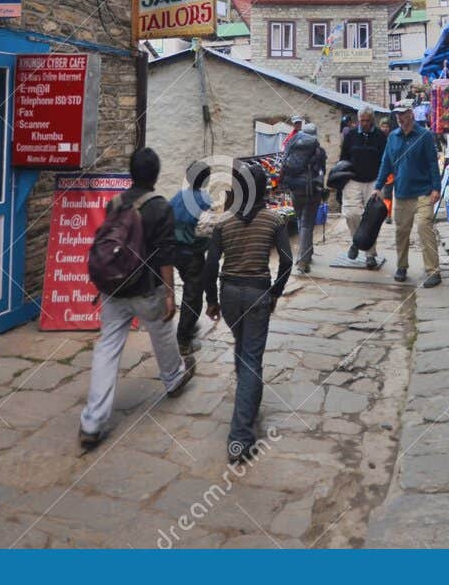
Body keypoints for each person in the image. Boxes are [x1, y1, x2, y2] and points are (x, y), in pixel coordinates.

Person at [79, 148, 195, 450]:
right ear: (155, 174)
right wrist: (169, 293)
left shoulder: (115, 203)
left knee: (107, 349)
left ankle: (92, 422)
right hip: (146, 288)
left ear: (131, 173)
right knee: (161, 333)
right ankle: (173, 378)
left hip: (113, 290)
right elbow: (166, 254)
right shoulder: (160, 207)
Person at [202, 162, 293, 461]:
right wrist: (276, 292)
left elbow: (210, 265)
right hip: (257, 293)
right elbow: (287, 261)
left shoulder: (223, 223)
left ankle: (247, 408)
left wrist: (211, 300)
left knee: (243, 350)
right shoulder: (273, 220)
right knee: (252, 358)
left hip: (229, 294)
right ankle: (240, 437)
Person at [376, 101, 442, 287]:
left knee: (424, 227)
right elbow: (386, 163)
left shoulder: (425, 136)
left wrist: (436, 188)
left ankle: (433, 271)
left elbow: (432, 163)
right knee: (401, 232)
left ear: (411, 114)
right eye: (397, 114)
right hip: (403, 193)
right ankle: (402, 266)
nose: (400, 117)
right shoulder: (393, 138)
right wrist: (378, 186)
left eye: (403, 113)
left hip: (423, 192)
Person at [169, 166, 213, 364]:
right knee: (193, 297)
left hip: (175, 252)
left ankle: (189, 324)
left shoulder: (178, 196)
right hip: (194, 254)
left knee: (189, 290)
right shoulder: (205, 200)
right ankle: (183, 340)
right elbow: (208, 230)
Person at [339, 107, 387, 268]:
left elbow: (384, 161)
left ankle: (370, 254)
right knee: (351, 214)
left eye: (367, 120)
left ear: (372, 120)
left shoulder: (380, 136)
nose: (365, 123)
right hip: (353, 180)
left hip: (374, 181)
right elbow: (343, 158)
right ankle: (357, 242)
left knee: (372, 219)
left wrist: (381, 183)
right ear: (358, 120)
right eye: (362, 120)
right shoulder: (350, 136)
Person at [279, 119, 325, 272]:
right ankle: (302, 261)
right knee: (307, 224)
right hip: (311, 191)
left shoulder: (292, 144)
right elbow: (321, 173)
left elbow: (284, 164)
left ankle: (308, 252)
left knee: (301, 220)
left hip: (294, 189)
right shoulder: (319, 151)